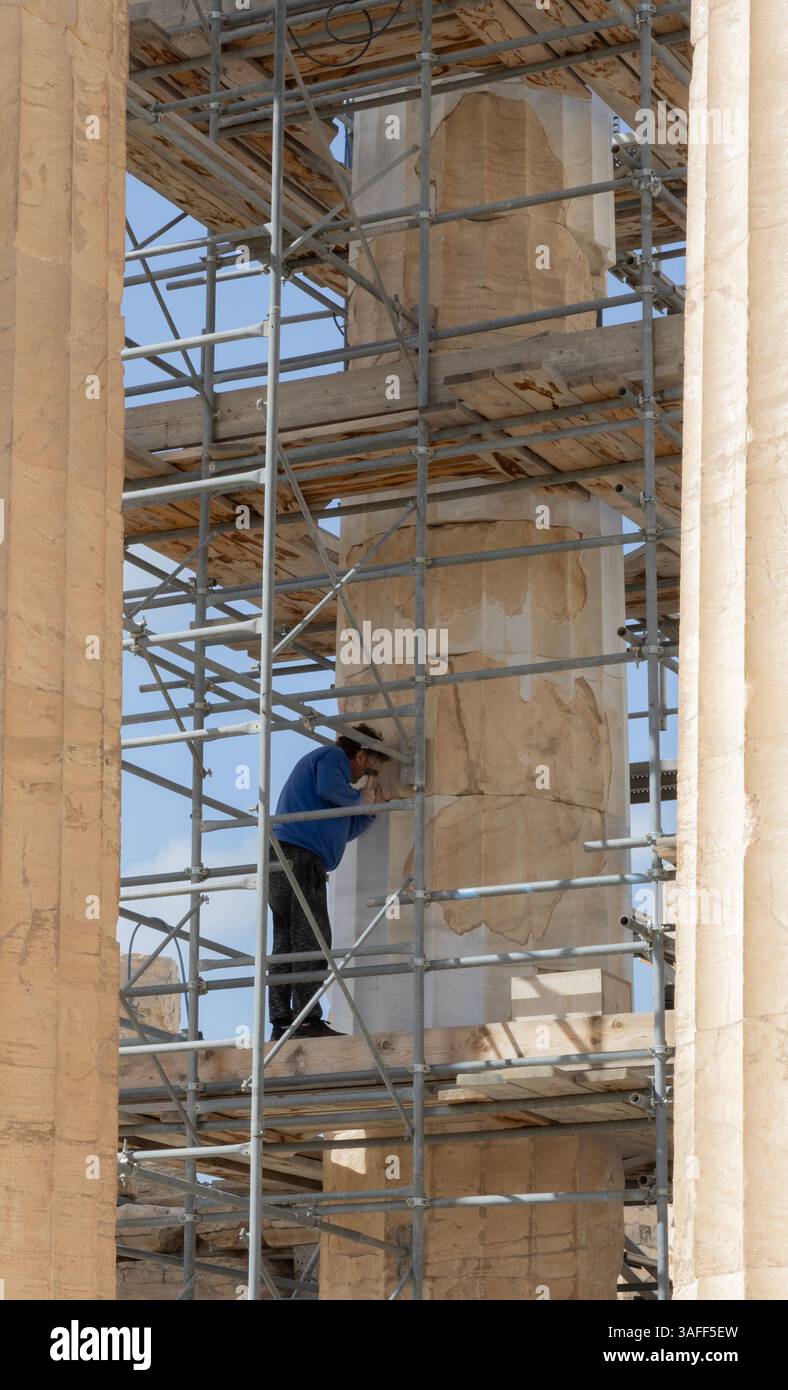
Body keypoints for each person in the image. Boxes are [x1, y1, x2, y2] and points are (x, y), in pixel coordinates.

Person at [268, 724, 389, 1039]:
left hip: (291, 858)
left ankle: (283, 1022)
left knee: (288, 943)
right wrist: (361, 797)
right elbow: (330, 789)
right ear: (359, 754)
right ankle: (306, 1021)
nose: (363, 775)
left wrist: (370, 810)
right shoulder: (333, 757)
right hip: (299, 857)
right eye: (368, 765)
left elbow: (346, 830)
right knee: (312, 938)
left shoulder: (339, 793)